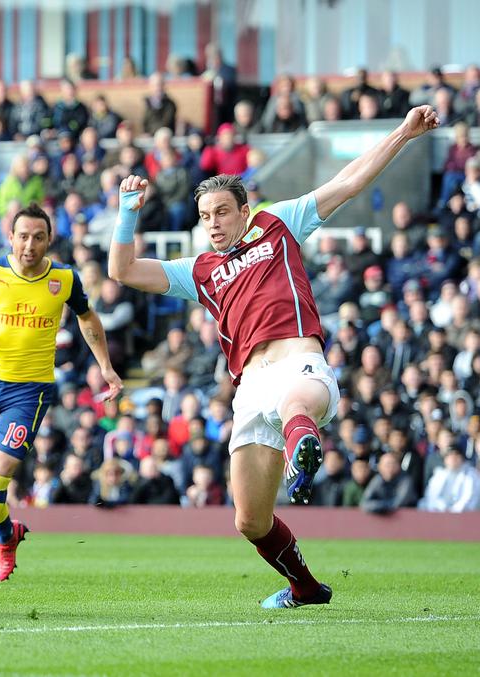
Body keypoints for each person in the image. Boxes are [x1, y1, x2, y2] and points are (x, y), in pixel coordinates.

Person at [107, 105, 439, 609]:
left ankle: (303, 445)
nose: (213, 224)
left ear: (244, 210)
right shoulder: (197, 270)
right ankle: (304, 586)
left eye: (222, 212)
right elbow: (123, 270)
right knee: (249, 520)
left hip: (297, 362)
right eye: (204, 217)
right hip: (249, 389)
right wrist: (128, 210)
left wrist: (404, 133)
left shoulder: (277, 223)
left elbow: (349, 181)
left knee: (297, 407)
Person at [0, 203, 122, 584]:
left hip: (30, 392)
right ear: (10, 238)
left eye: (38, 237)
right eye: (23, 236)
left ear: (49, 240)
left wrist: (105, 366)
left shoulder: (65, 279)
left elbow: (88, 318)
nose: (30, 245)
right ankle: (7, 535)